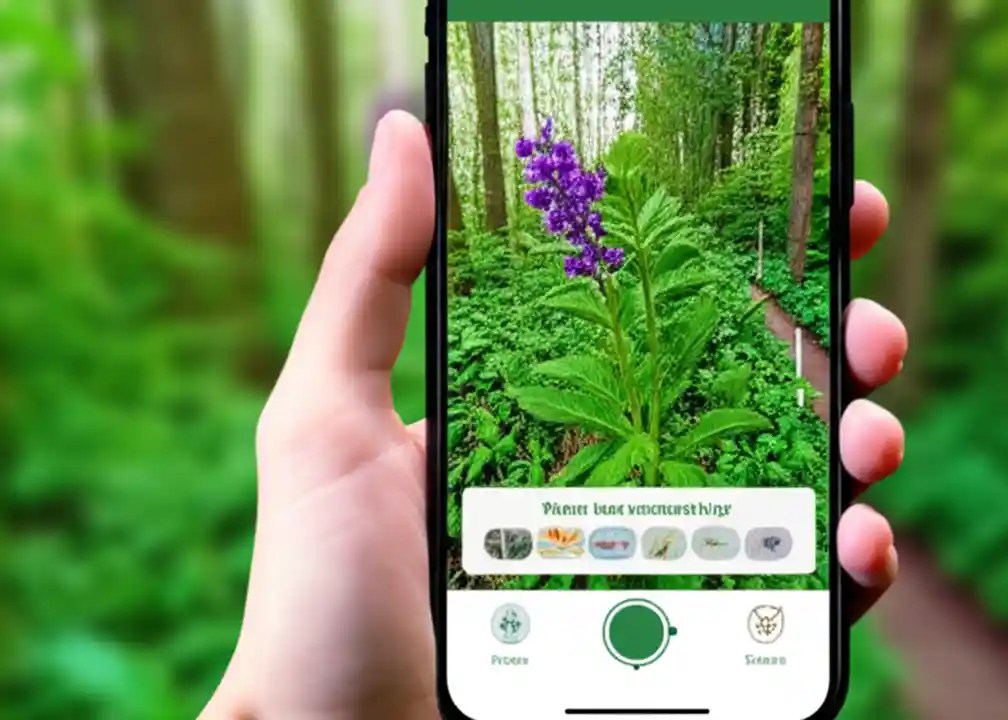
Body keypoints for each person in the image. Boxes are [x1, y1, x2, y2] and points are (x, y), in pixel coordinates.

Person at [199, 110, 908, 719]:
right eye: (550, 171)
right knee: (616, 392)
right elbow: (572, 222)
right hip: (593, 275)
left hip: (611, 285)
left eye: (552, 168)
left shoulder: (583, 196)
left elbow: (588, 207)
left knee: (660, 400)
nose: (554, 175)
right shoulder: (559, 199)